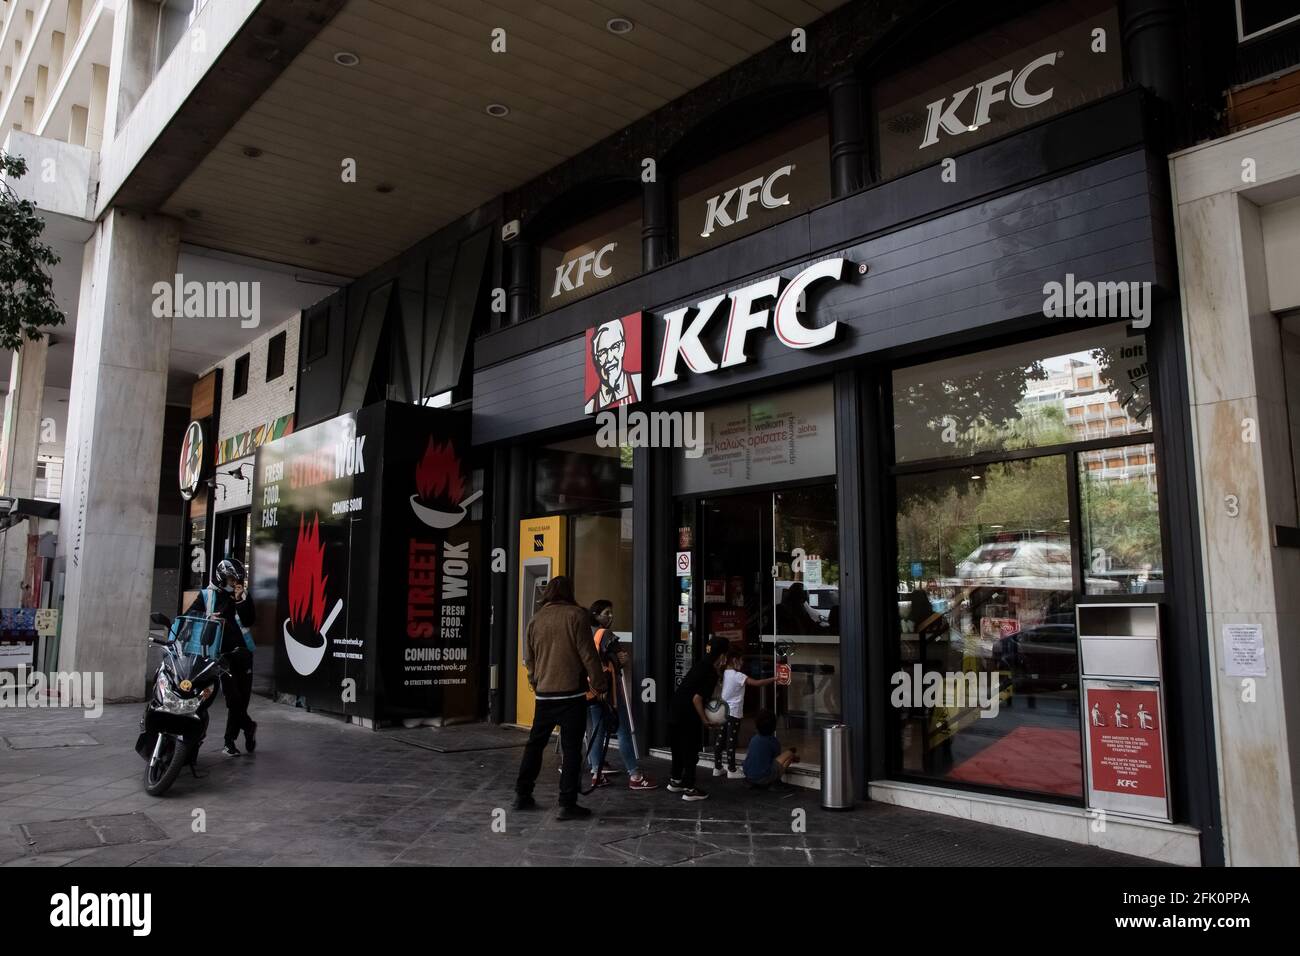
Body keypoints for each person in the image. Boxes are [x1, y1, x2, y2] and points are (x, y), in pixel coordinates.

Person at [514, 576, 609, 819]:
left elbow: (529, 659)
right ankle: (567, 803)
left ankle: (522, 794)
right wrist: (599, 685)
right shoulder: (576, 615)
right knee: (571, 749)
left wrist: (536, 682)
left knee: (535, 745)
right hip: (571, 694)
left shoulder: (536, 620)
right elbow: (588, 655)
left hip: (545, 695)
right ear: (569, 592)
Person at [182, 557, 256, 757]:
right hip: (219, 656)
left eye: (238, 579)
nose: (235, 583)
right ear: (222, 577)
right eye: (232, 579)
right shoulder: (206, 596)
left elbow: (250, 619)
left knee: (242, 700)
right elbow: (188, 620)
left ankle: (237, 736)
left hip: (243, 654)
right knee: (233, 699)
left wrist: (241, 599)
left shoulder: (242, 595)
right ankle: (241, 733)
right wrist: (208, 619)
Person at [584, 600, 657, 791]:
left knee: (596, 731)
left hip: (591, 691)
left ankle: (595, 774)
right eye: (606, 613)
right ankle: (635, 775)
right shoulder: (604, 634)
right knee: (623, 729)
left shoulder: (585, 633)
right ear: (596, 615)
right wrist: (619, 659)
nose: (611, 616)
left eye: (611, 612)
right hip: (610, 693)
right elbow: (621, 657)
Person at [667, 638, 727, 801]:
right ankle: (690, 788)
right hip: (687, 714)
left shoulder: (701, 664)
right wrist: (705, 720)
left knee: (678, 748)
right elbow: (697, 699)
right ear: (722, 656)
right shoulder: (710, 672)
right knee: (690, 750)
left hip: (674, 709)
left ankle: (675, 780)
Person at [713, 649, 777, 778]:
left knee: (720, 739)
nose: (742, 663)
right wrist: (774, 678)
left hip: (723, 711)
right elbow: (757, 683)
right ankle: (731, 769)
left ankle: (717, 767)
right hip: (734, 712)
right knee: (731, 740)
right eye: (741, 660)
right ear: (735, 660)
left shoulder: (724, 673)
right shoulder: (738, 676)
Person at [583, 317, 641, 413]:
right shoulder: (590, 406)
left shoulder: (639, 383)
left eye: (614, 347)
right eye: (602, 352)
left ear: (622, 347)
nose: (609, 358)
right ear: (596, 359)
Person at [742, 708, 798, 789]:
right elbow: (777, 760)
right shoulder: (773, 741)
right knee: (789, 754)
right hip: (764, 777)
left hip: (748, 774)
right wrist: (792, 754)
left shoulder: (754, 739)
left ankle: (752, 781)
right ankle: (775, 782)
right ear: (774, 727)